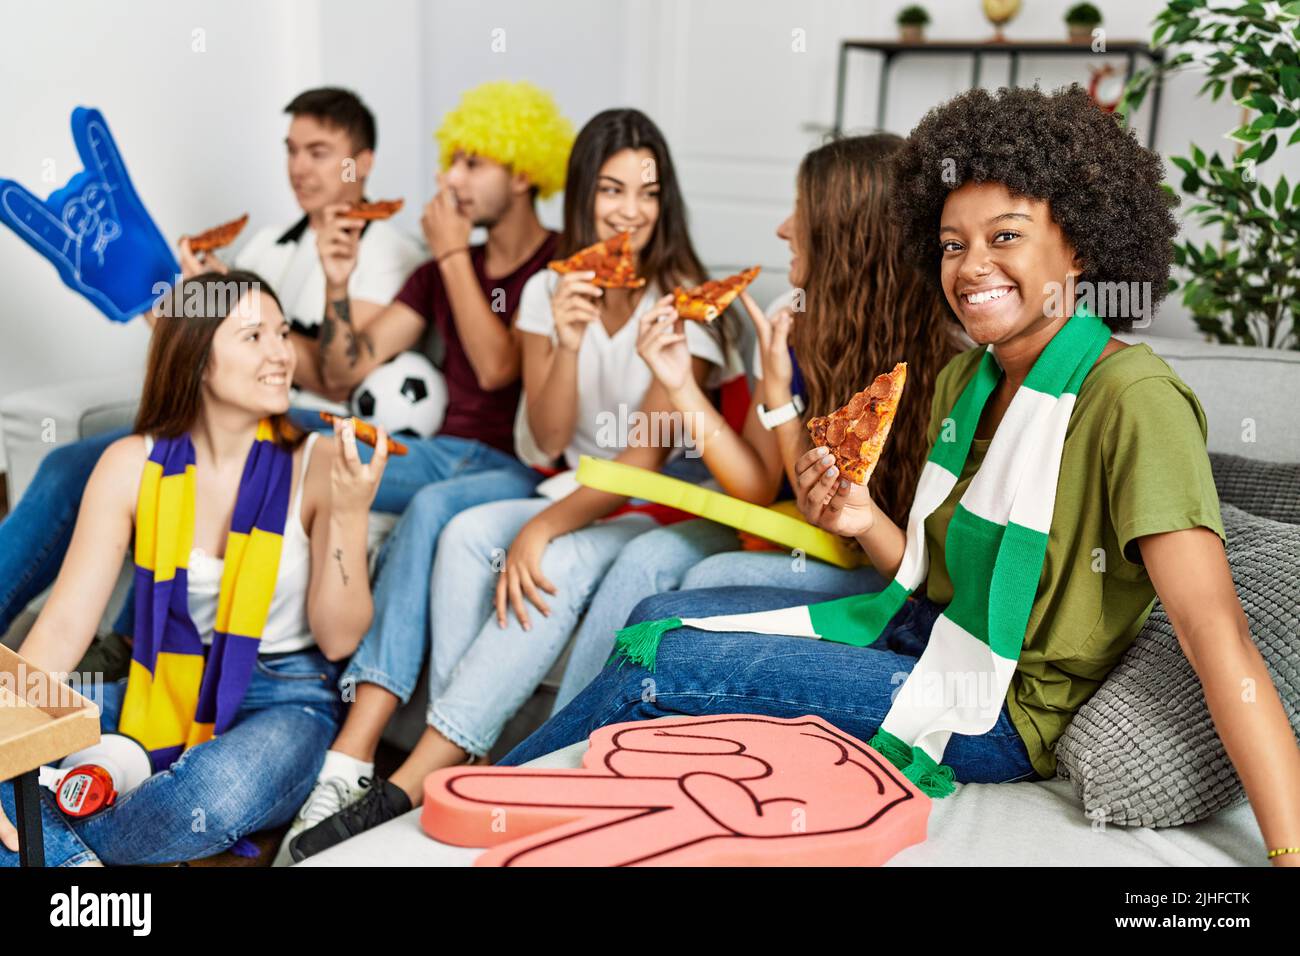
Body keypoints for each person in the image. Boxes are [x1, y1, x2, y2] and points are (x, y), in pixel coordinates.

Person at [498, 86, 1300, 866]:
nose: (972, 266)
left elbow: (1215, 635)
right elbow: (936, 582)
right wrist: (860, 520)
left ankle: (481, 806)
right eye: (954, 244)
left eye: (1006, 236)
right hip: (926, 636)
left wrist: (1289, 849)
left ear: (1080, 245)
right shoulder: (968, 381)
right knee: (659, 610)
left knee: (657, 664)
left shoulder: (1133, 398)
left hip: (1000, 710)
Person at [289, 108, 727, 861]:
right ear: (585, 195)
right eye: (614, 191)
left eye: (650, 193)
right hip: (574, 482)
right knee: (460, 534)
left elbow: (644, 465)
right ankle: (472, 760)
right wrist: (564, 340)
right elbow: (552, 440)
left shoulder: (685, 298)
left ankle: (427, 772)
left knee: (552, 558)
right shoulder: (551, 287)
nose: (632, 211)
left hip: (658, 500)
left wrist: (540, 527)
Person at [553, 133, 963, 712]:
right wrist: (679, 383)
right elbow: (755, 482)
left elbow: (876, 537)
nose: (782, 228)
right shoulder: (787, 325)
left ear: (847, 235)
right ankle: (569, 741)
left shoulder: (949, 367)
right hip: (796, 528)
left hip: (885, 570)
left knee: (707, 578)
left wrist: (778, 398)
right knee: (646, 558)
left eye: (801, 211)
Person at [271, 80, 575, 860]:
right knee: (292, 432)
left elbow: (500, 368)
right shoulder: (442, 269)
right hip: (437, 448)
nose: (453, 179)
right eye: (453, 160)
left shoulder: (561, 261)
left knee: (437, 507)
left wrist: (449, 255)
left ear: (524, 170)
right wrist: (339, 283)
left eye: (475, 162)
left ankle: (354, 754)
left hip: (515, 466)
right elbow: (348, 368)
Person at [0, 87, 423, 645]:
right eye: (291, 150)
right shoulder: (270, 244)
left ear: (362, 162)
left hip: (304, 422)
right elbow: (202, 351)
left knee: (89, 464)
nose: (298, 167)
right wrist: (154, 293)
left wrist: (261, 310)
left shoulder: (389, 252)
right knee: (70, 464)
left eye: (318, 152)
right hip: (229, 410)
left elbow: (334, 375)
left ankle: (126, 648)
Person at [0, 272, 388, 866]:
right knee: (8, 748)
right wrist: (9, 733)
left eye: (282, 334)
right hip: (160, 682)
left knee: (204, 795)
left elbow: (339, 637)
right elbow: (62, 629)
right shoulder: (130, 465)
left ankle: (55, 856)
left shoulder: (317, 463)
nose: (282, 353)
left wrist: (352, 513)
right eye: (254, 336)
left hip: (288, 695)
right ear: (198, 359)